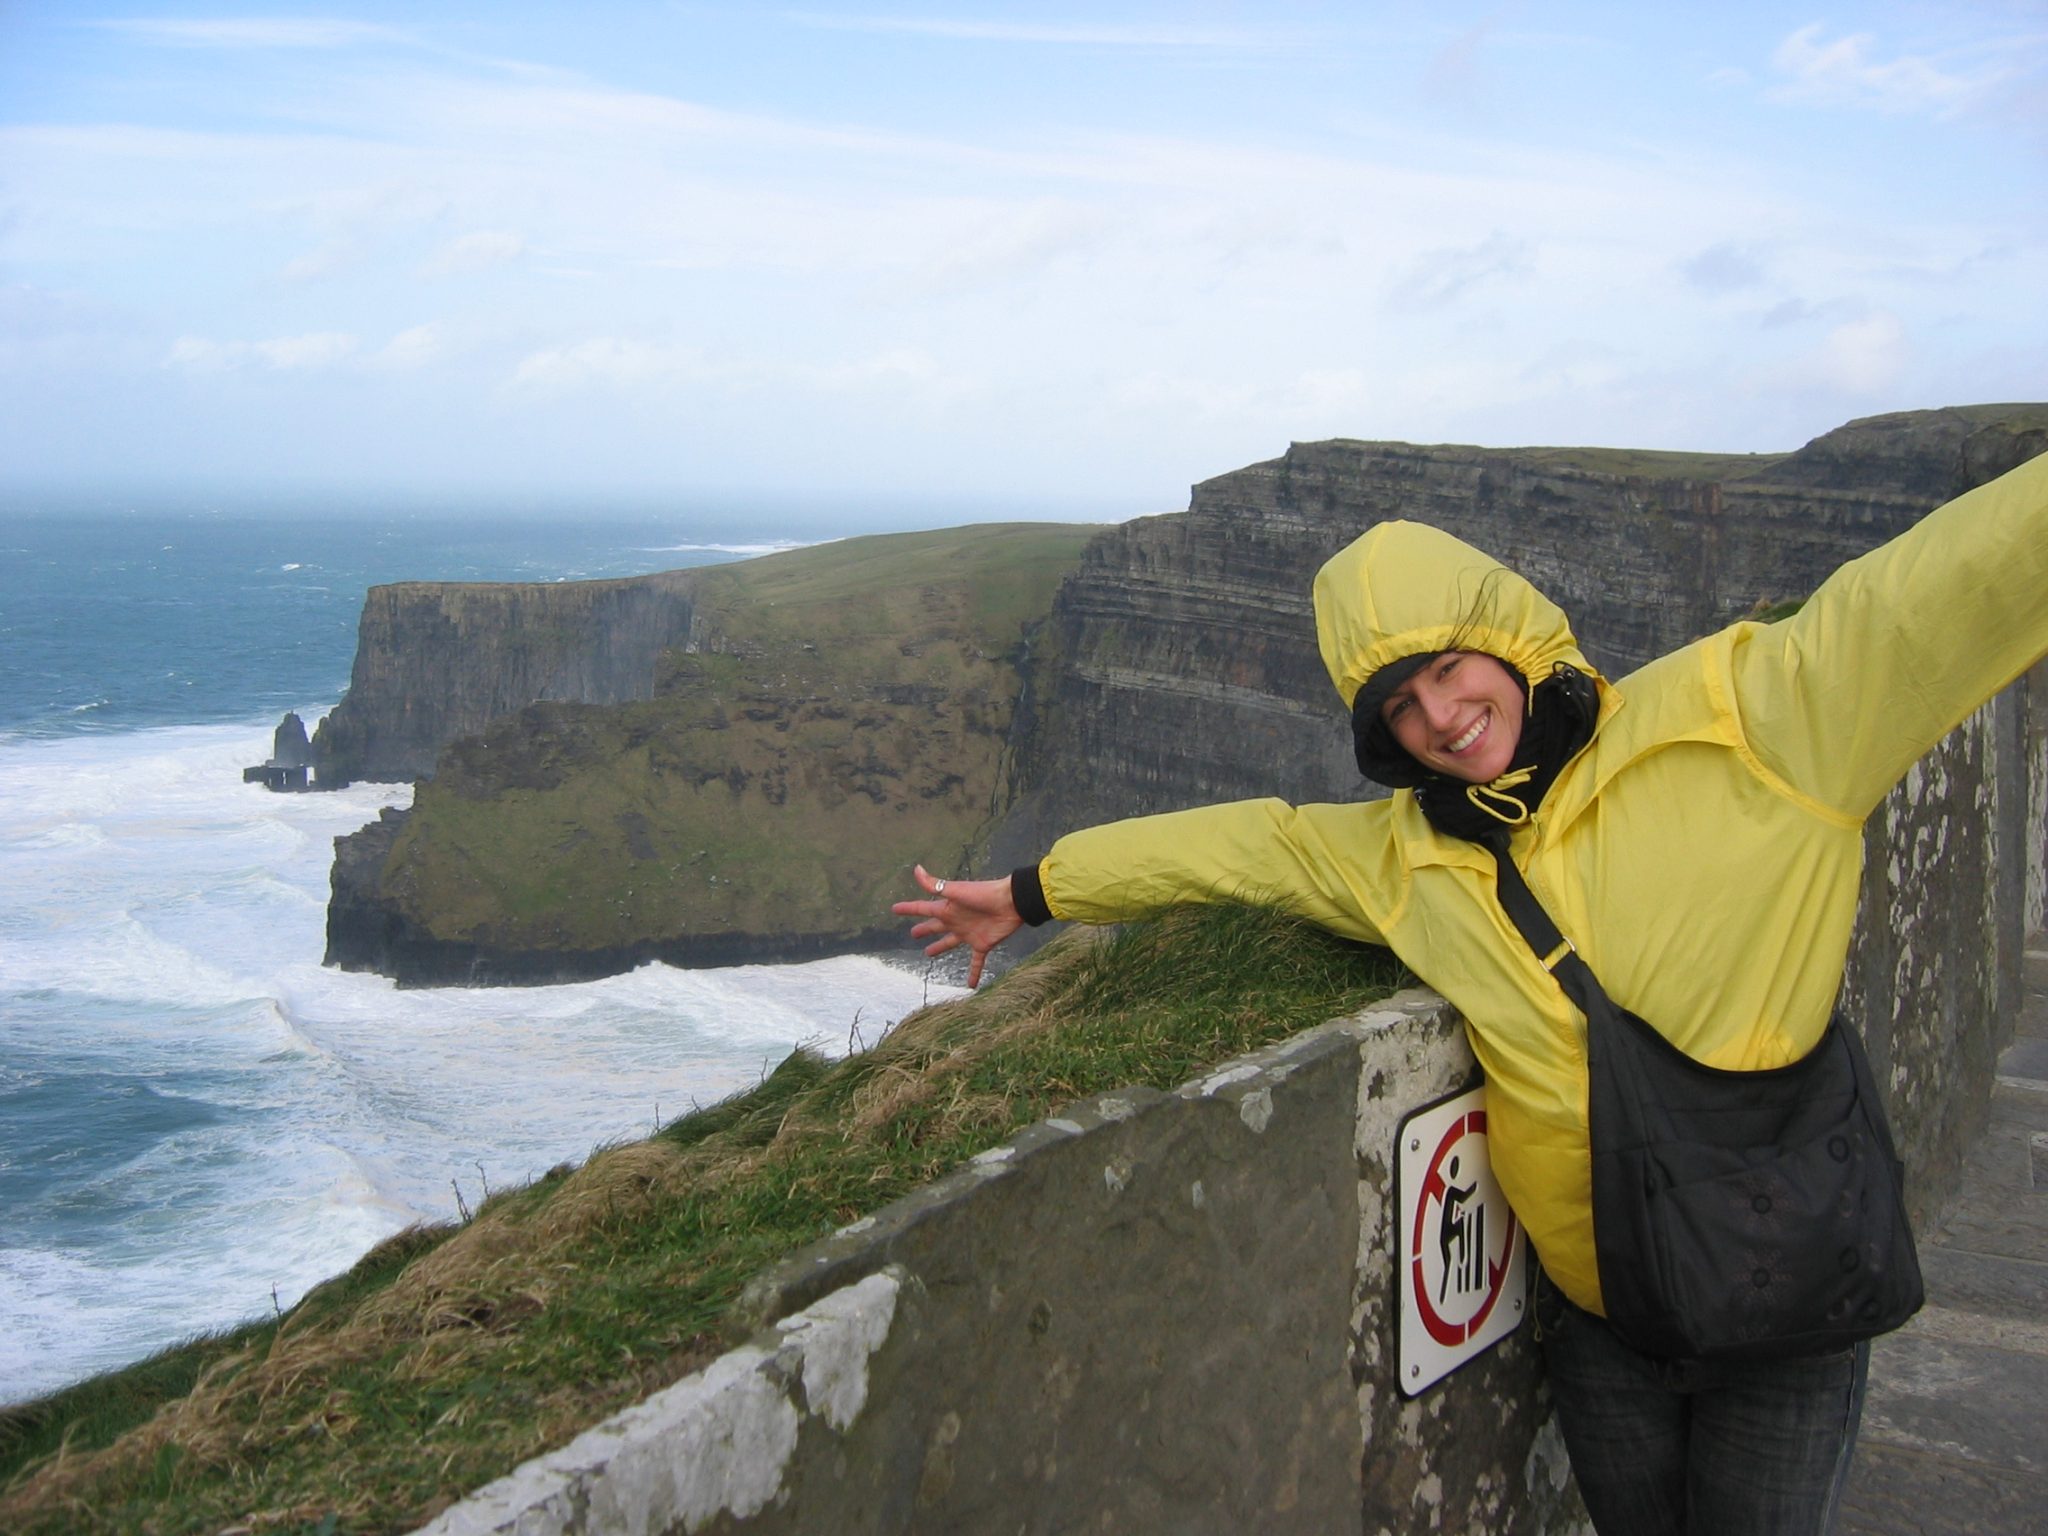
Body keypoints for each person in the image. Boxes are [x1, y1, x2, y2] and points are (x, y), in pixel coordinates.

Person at [895, 449, 2048, 1535]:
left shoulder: (1754, 719)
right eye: (1398, 707)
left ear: (1507, 638)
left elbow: (1946, 581)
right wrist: (1035, 890)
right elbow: (1248, 844)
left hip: (1782, 1296)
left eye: (1446, 670)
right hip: (1602, 1325)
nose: (1438, 720)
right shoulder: (1401, 860)